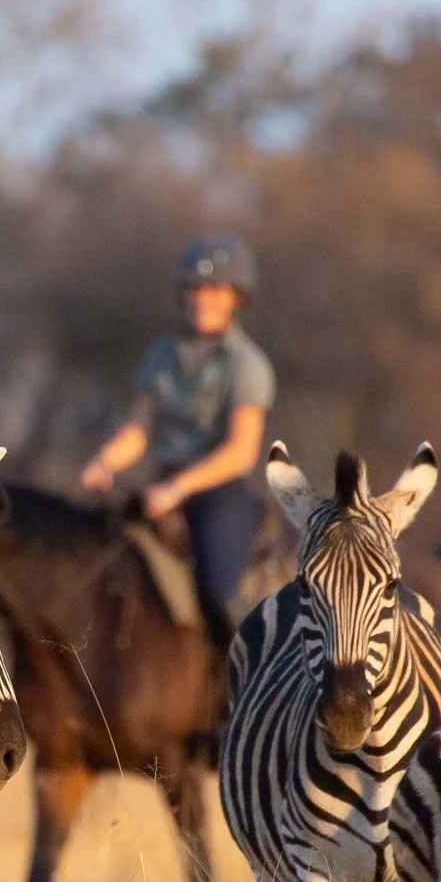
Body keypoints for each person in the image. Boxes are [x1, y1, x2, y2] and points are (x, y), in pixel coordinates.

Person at [79, 236, 276, 635]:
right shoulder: (163, 353)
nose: (200, 298)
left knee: (218, 595)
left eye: (213, 289)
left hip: (218, 494)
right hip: (160, 484)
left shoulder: (247, 364)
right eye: (193, 288)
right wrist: (104, 463)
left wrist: (179, 489)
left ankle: (239, 680)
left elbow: (241, 452)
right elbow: (139, 431)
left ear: (236, 297)